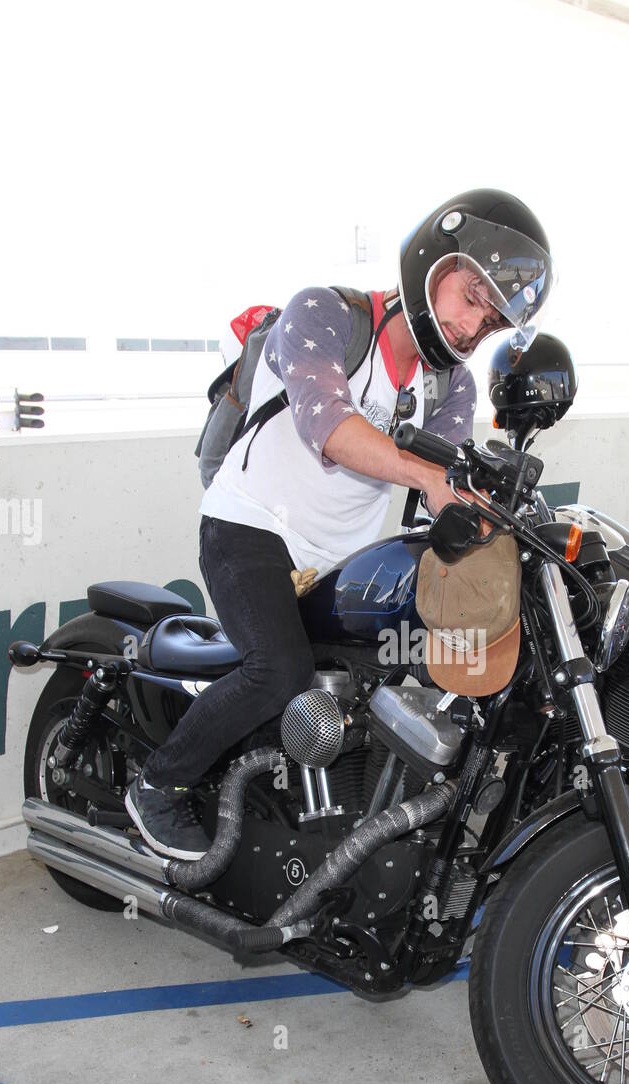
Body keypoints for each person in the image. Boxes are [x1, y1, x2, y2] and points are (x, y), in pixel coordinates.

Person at [125, 188, 555, 858]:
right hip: (250, 525)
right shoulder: (324, 314)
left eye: (491, 320)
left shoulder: (451, 387)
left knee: (387, 671)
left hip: (338, 559)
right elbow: (328, 425)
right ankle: (159, 785)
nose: (473, 328)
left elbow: (444, 478)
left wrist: (479, 506)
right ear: (433, 261)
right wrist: (429, 478)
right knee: (278, 670)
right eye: (472, 297)